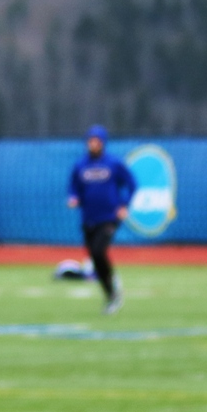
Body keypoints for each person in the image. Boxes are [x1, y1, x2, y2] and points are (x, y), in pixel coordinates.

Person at [67, 123, 135, 315]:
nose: (93, 144)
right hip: (89, 218)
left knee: (98, 251)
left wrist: (124, 205)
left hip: (109, 217)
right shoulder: (80, 165)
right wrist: (73, 197)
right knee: (95, 257)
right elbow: (73, 187)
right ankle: (111, 293)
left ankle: (112, 288)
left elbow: (132, 184)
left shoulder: (113, 163)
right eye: (90, 141)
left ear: (103, 143)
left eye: (96, 141)